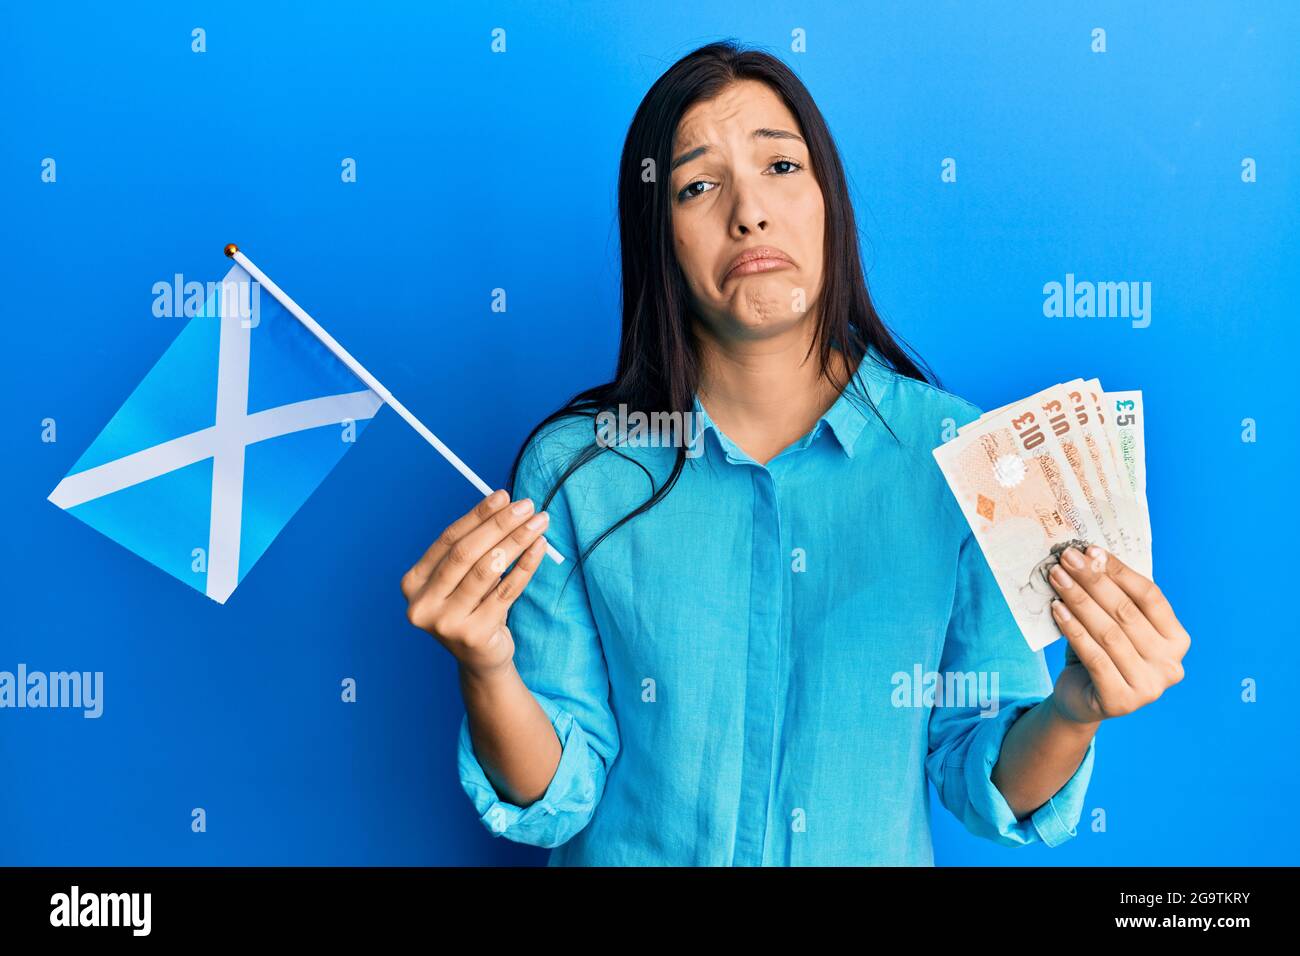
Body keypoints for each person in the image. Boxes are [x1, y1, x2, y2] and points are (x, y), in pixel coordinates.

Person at [399, 40, 1190, 866]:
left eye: (780, 167)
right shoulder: (578, 473)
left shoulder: (961, 457)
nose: (749, 212)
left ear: (828, 202)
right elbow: (557, 800)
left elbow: (978, 771)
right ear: (657, 235)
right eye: (698, 185)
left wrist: (1075, 707)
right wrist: (486, 665)